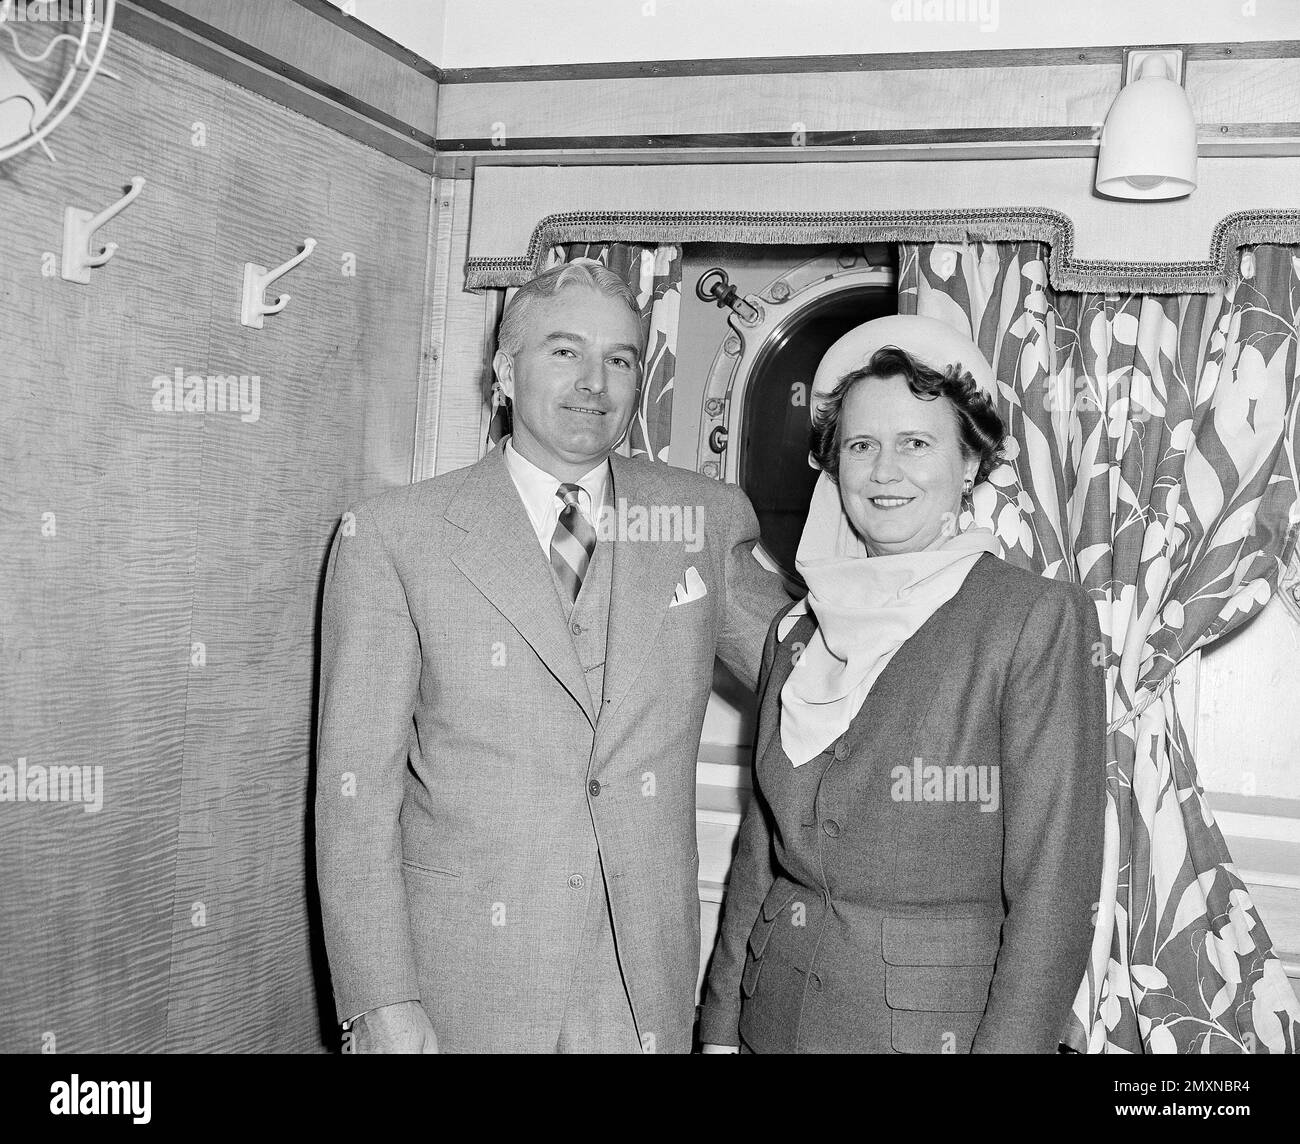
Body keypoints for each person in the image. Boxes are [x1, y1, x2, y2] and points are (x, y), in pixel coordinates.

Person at [315, 261, 789, 1053]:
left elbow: (814, 674)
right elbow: (355, 797)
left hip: (640, 987)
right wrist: (379, 1001)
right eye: (565, 352)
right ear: (505, 372)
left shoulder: (701, 519)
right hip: (459, 981)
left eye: (620, 359)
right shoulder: (394, 537)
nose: (593, 384)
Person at [699, 315, 1105, 1054]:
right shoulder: (797, 631)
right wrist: (721, 1032)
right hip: (772, 1021)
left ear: (971, 463)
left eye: (916, 444)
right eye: (861, 446)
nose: (884, 472)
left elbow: (1055, 890)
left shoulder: (1034, 619)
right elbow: (759, 852)